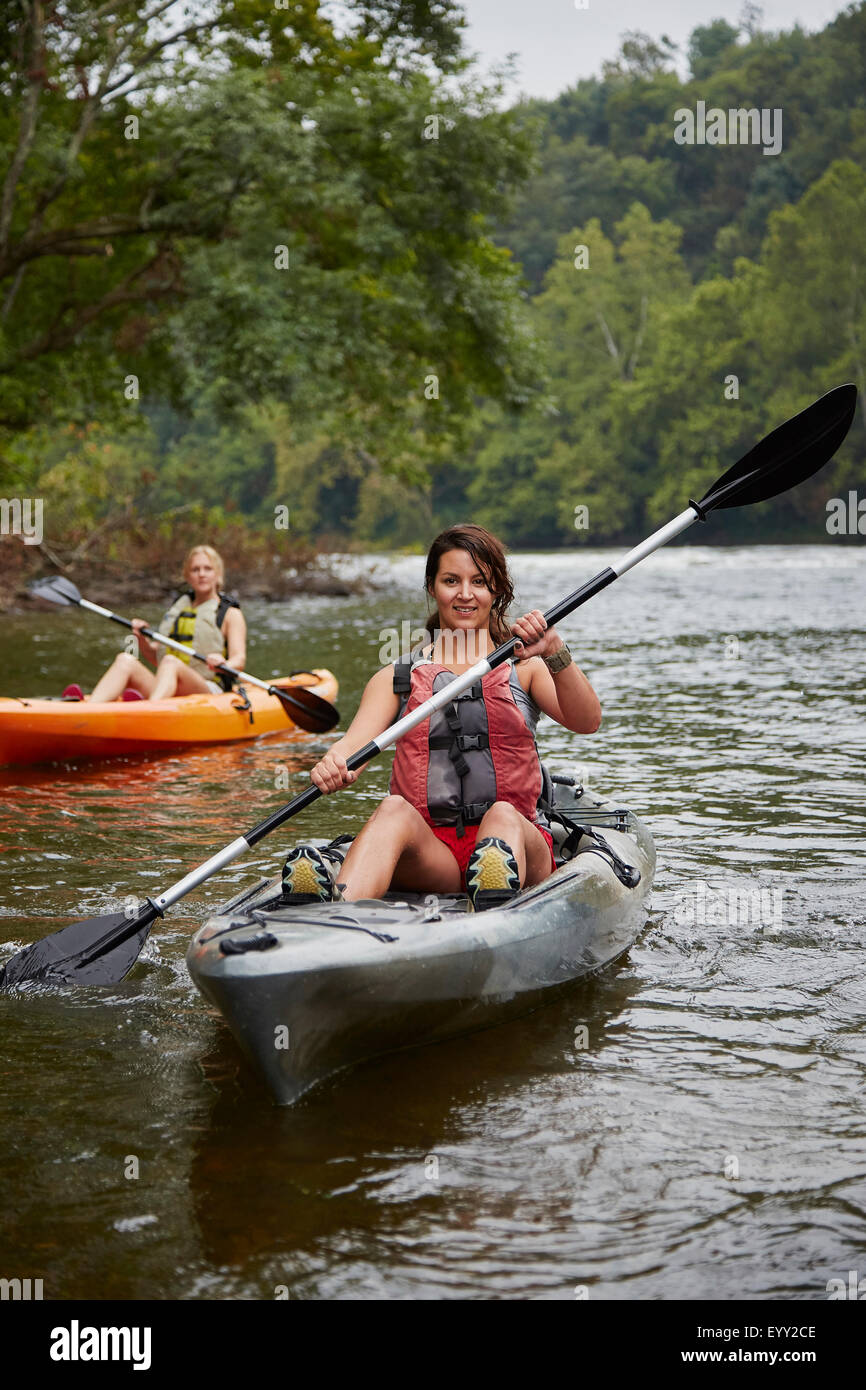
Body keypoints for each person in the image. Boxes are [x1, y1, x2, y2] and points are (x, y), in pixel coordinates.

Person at [282, 524, 601, 912]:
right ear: (432, 588)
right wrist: (333, 764)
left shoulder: (526, 665)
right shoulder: (397, 678)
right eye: (451, 580)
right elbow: (353, 747)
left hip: (520, 845)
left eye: (479, 581)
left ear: (496, 590)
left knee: (503, 814)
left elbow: (587, 720)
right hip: (437, 857)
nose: (465, 594)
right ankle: (335, 913)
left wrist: (554, 648)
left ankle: (496, 890)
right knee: (392, 809)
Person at [84, 545, 247, 702]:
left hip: (209, 690)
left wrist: (224, 663)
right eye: (195, 569)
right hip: (170, 686)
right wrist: (142, 641)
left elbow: (239, 660)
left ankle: (149, 714)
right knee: (125, 660)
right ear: (187, 575)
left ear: (218, 573)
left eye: (208, 569)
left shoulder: (230, 614)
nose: (201, 574)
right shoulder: (179, 608)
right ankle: (88, 711)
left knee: (171, 663)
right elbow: (158, 658)